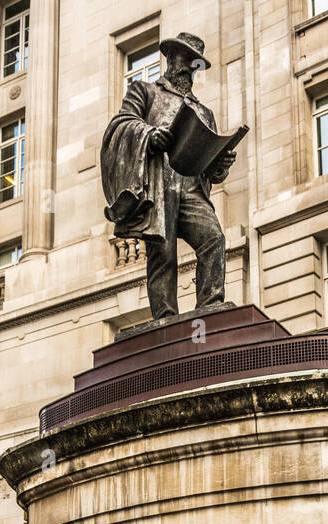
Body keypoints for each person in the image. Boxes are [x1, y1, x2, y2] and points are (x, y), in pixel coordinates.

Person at [100, 31, 237, 322]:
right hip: (158, 186)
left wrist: (221, 162)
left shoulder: (203, 111)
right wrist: (149, 135)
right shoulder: (145, 91)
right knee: (163, 255)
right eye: (185, 60)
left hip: (191, 190)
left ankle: (210, 308)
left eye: (194, 62)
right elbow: (121, 125)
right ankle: (164, 319)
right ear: (171, 58)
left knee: (213, 238)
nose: (189, 67)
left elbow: (211, 169)